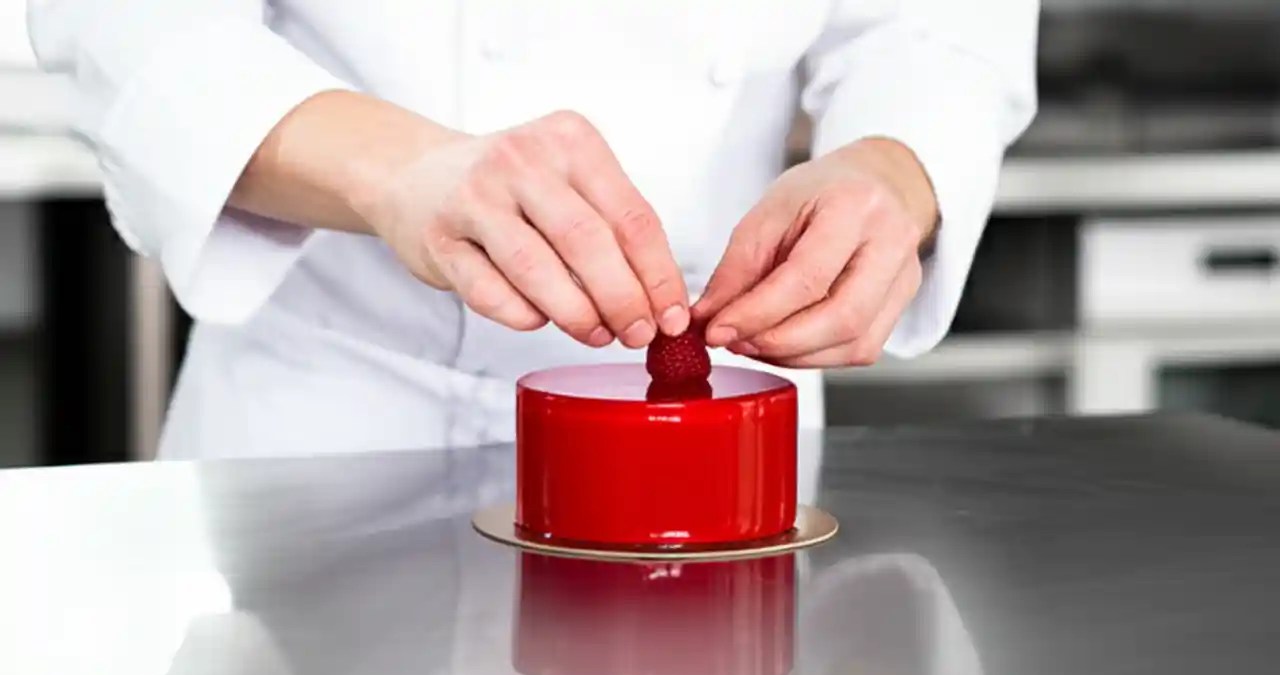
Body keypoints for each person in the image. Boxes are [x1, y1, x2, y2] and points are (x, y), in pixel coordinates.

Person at [28, 2, 1037, 460]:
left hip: (715, 441)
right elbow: (122, 20)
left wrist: (893, 166)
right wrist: (397, 171)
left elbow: (938, 25)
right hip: (337, 429)